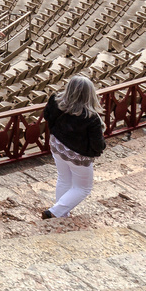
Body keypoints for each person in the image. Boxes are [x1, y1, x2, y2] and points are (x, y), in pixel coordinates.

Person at [42, 75, 106, 219]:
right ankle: (55, 212)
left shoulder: (55, 101)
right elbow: (97, 145)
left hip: (57, 146)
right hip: (78, 156)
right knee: (83, 188)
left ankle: (62, 214)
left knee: (64, 178)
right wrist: (100, 147)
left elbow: (47, 116)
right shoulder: (91, 117)